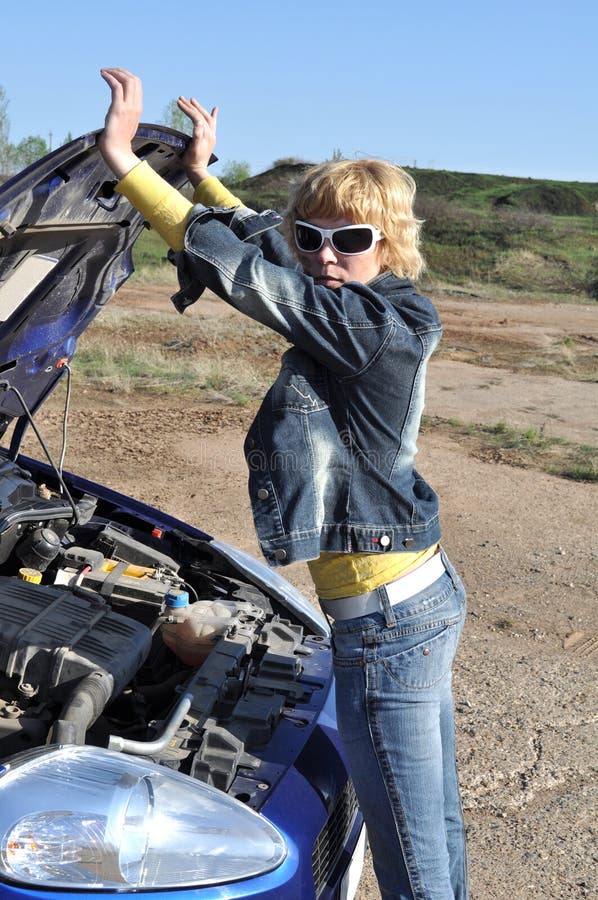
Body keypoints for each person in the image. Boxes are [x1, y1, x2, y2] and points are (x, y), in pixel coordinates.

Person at [98, 67, 469, 900]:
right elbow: (272, 248)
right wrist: (202, 176)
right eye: (314, 236)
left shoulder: (375, 328)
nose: (327, 256)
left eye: (352, 240)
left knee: (414, 859)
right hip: (409, 599)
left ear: (391, 245)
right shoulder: (359, 298)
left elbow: (254, 276)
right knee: (433, 829)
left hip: (388, 623)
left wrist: (126, 166)